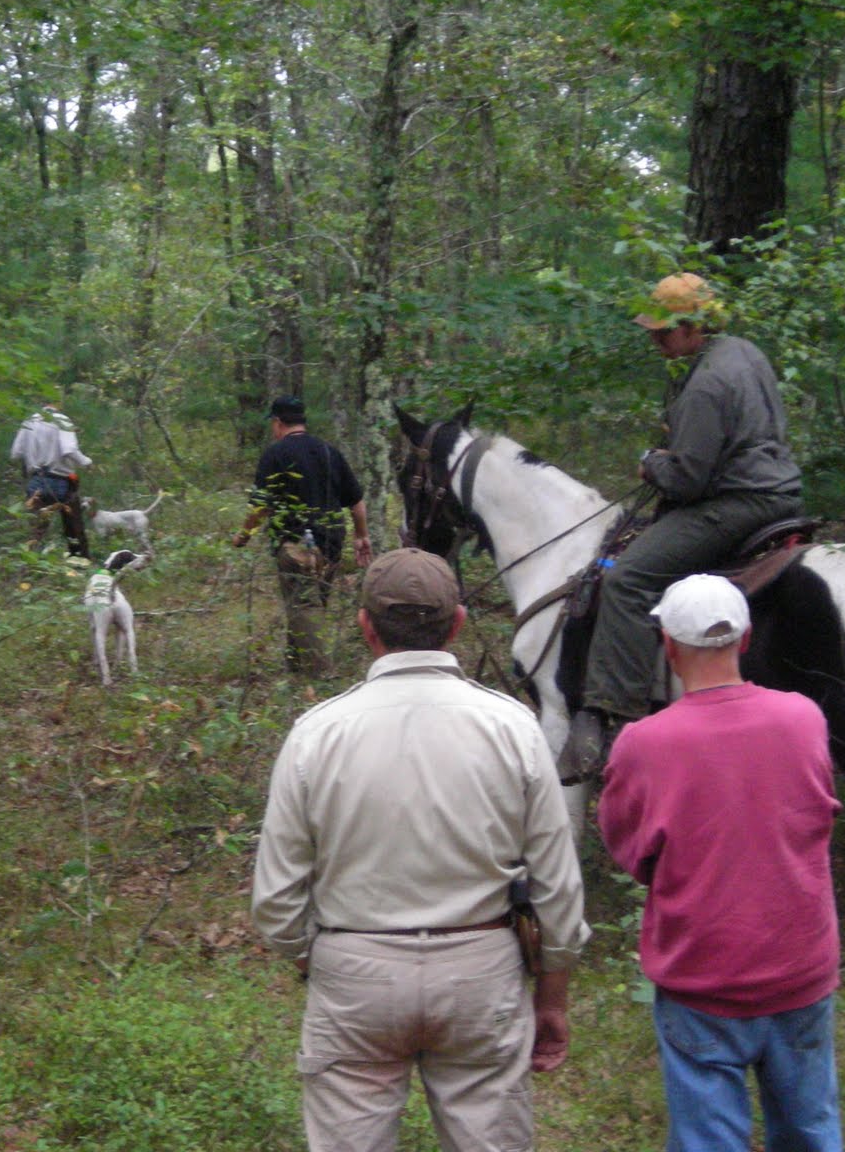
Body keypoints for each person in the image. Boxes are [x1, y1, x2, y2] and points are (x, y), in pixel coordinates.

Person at [252, 548, 590, 1152]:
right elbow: (557, 883)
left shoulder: (317, 734)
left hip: (354, 967)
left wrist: (321, 962)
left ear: (365, 627)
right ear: (457, 622)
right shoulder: (513, 727)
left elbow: (276, 901)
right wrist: (553, 995)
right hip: (481, 970)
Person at [597, 573, 843, 1152]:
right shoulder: (804, 717)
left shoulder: (643, 743)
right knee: (810, 1129)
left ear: (669, 647)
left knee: (708, 1140)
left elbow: (629, 850)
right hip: (800, 970)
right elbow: (819, 817)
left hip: (701, 977)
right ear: (746, 639)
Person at [565, 271, 803, 772]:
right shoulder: (745, 352)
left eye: (664, 331)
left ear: (695, 327)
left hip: (739, 504)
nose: (655, 340)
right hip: (780, 495)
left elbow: (689, 481)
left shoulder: (706, 385)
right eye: (653, 331)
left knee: (627, 578)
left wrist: (652, 462)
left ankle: (612, 710)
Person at [232, 395, 373, 673]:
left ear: (278, 422)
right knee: (310, 603)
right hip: (332, 540)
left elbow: (260, 506)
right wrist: (361, 536)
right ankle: (296, 668)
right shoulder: (330, 451)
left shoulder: (275, 454)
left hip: (296, 544)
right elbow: (356, 502)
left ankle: (320, 677)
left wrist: (244, 535)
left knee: (304, 606)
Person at [10, 402, 92, 559]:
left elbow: (15, 453)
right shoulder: (62, 420)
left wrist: (34, 457)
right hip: (61, 481)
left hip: (36, 481)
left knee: (36, 531)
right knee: (73, 528)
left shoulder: (29, 421)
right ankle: (80, 563)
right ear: (58, 403)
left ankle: (28, 567)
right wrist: (87, 462)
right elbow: (69, 449)